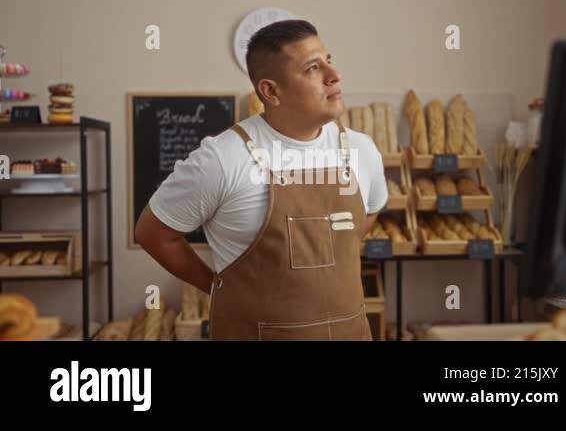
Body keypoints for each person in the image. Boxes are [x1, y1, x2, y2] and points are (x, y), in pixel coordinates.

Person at [136, 19, 388, 340]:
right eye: (312, 68)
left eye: (329, 60)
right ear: (270, 91)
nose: (334, 75)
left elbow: (372, 209)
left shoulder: (361, 150)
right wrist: (218, 287)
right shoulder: (222, 158)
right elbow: (152, 234)